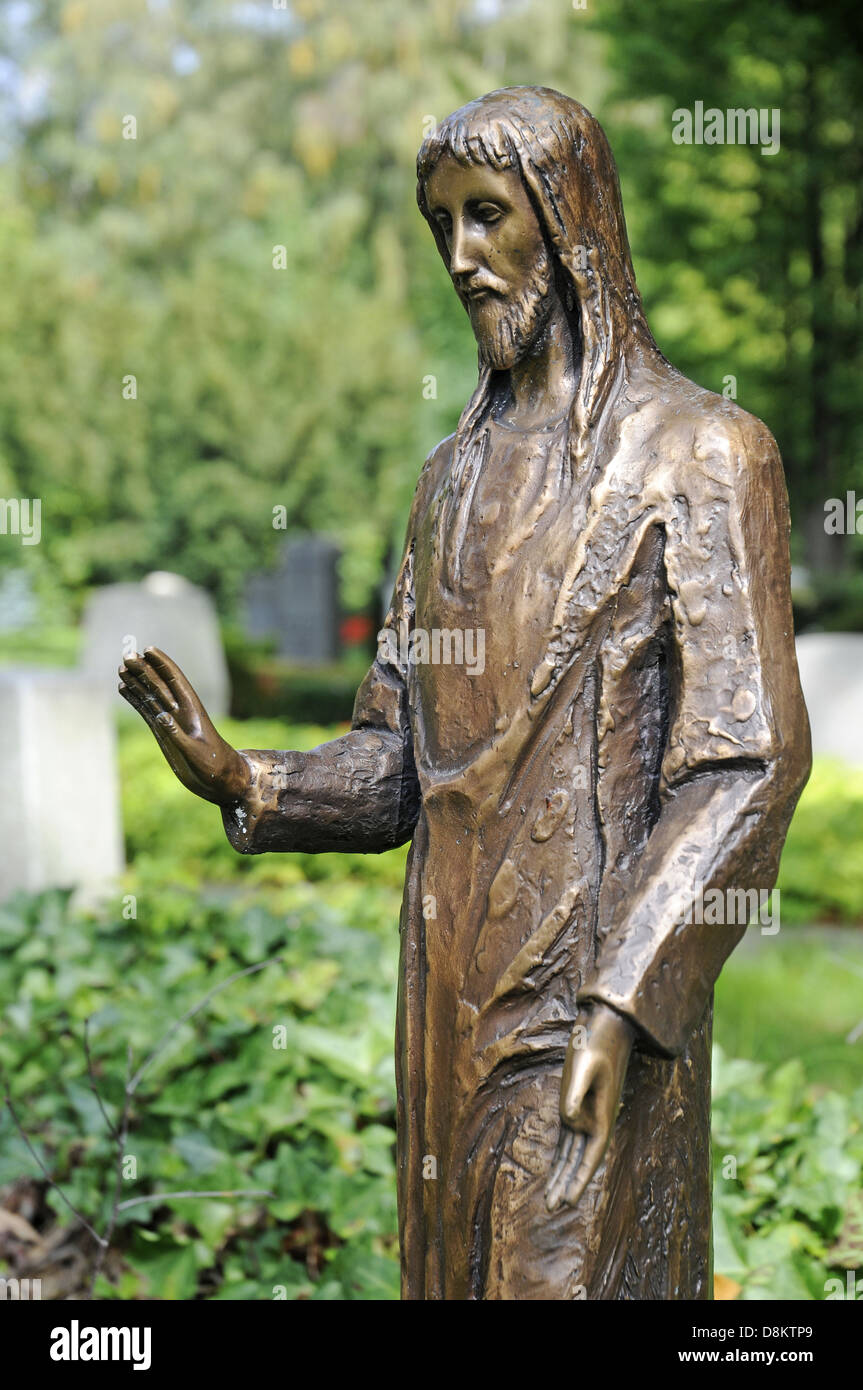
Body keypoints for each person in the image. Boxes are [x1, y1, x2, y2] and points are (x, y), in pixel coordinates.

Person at [120, 87, 811, 1300]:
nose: (463, 258)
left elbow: (742, 765)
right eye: (441, 224)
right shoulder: (447, 483)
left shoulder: (700, 454)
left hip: (588, 1007)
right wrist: (250, 778)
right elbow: (401, 757)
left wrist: (623, 997)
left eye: (488, 216)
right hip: (443, 1006)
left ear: (571, 219)